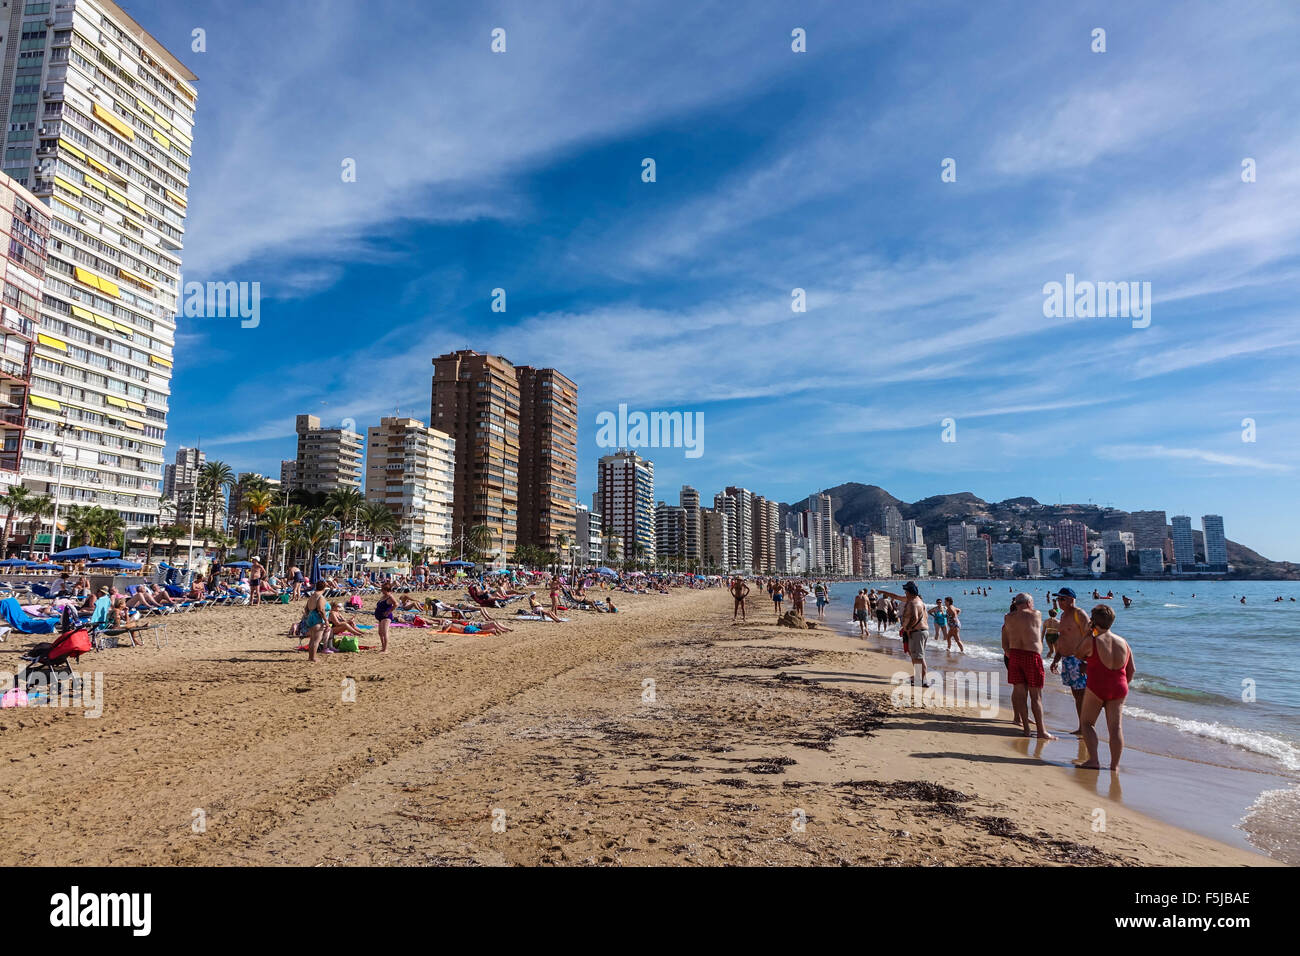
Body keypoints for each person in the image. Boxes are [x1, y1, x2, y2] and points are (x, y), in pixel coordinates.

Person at [1077, 604, 1135, 771]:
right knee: (1115, 728)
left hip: (1097, 685)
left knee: (1087, 723)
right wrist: (1122, 686)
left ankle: (1094, 760)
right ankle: (1114, 765)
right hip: (1119, 687)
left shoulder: (1092, 640)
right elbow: (1131, 669)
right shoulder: (1123, 642)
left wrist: (1088, 632)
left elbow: (1078, 653)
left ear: (1093, 622)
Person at [1001, 593, 1053, 738]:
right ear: (1029, 602)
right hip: (1031, 655)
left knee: (1020, 694)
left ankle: (1026, 729)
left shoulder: (1008, 618)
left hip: (1015, 655)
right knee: (1036, 696)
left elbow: (1006, 637)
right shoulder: (1036, 614)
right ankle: (1041, 731)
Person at [1048, 587, 1091, 735]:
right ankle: (1082, 727)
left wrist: (1086, 661)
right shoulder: (1064, 615)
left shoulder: (1079, 614)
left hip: (1078, 660)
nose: (1059, 602)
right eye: (1058, 599)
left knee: (1082, 695)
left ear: (1072, 599)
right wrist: (1056, 659)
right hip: (1066, 660)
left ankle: (1086, 727)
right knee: (1076, 695)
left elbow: (1090, 636)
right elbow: (1062, 639)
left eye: (1062, 599)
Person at [876, 582, 930, 685]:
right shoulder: (916, 600)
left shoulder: (913, 602)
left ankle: (922, 680)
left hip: (916, 632)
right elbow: (896, 596)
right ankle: (918, 677)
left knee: (919, 657)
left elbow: (915, 618)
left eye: (906, 591)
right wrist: (883, 592)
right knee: (916, 656)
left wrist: (908, 629)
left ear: (910, 592)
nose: (905, 593)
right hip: (920, 631)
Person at [302, 581, 331, 663]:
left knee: (312, 639)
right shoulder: (320, 597)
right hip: (317, 619)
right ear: (324, 588)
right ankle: (313, 657)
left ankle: (310, 657)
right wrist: (326, 621)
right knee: (317, 640)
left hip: (310, 617)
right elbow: (321, 609)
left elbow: (306, 609)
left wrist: (308, 616)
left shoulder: (312, 596)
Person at [374, 581, 396, 653]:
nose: (381, 590)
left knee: (385, 632)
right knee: (380, 633)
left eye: (382, 589)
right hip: (380, 616)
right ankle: (383, 647)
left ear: (386, 589)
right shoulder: (383, 596)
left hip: (386, 617)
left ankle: (385, 649)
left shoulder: (390, 596)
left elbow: (396, 604)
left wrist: (389, 612)